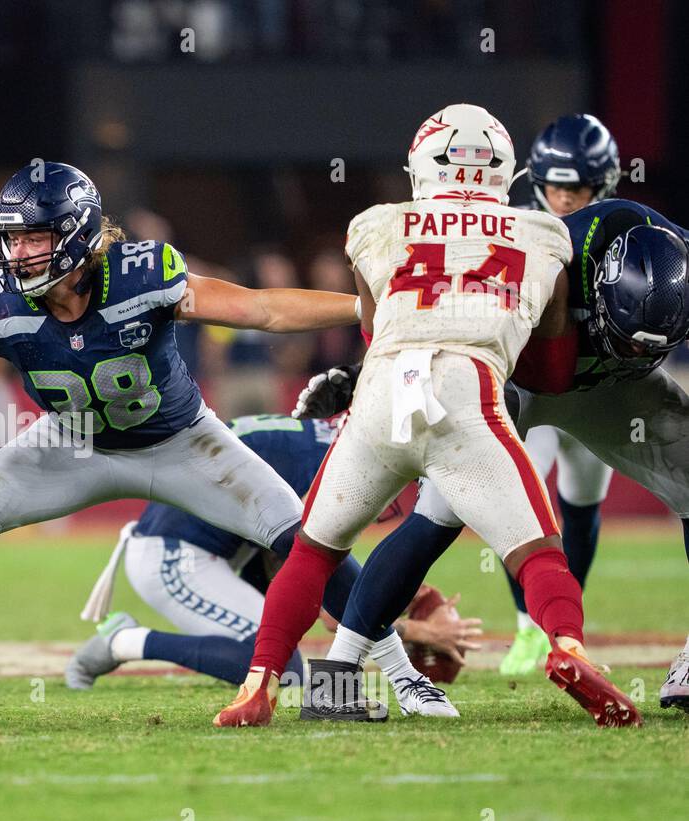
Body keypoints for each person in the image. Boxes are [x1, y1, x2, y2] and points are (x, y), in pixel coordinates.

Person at [0, 161, 363, 720]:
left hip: (182, 440)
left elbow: (262, 309)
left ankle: (401, 677)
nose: (18, 253)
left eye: (34, 236)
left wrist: (362, 308)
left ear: (77, 234)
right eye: (11, 238)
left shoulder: (143, 274)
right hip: (74, 439)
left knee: (304, 540)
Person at [214, 103, 641, 730]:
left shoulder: (377, 225)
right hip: (467, 393)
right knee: (540, 553)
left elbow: (369, 325)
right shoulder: (544, 234)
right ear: (506, 171)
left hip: (386, 389)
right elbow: (549, 372)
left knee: (312, 550)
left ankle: (259, 684)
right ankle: (568, 647)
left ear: (421, 167)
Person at [296, 197, 689, 714]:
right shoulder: (551, 247)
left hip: (612, 390)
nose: (637, 349)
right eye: (625, 337)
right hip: (510, 383)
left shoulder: (674, 265)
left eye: (652, 347)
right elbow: (436, 305)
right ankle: (341, 669)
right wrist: (366, 372)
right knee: (437, 514)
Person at [66, 412, 479, 717]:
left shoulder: (318, 440)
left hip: (225, 551)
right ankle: (125, 641)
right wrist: (415, 630)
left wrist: (396, 601)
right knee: (287, 669)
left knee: (285, 644)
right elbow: (330, 599)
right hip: (176, 554)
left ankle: (342, 689)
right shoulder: (338, 463)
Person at [493, 114, 623, 674]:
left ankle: (569, 622)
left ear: (604, 183)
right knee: (516, 505)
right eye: (557, 186)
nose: (566, 198)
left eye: (579, 188)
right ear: (537, 181)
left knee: (582, 503)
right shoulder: (514, 228)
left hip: (596, 390)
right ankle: (527, 627)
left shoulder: (621, 230)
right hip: (532, 392)